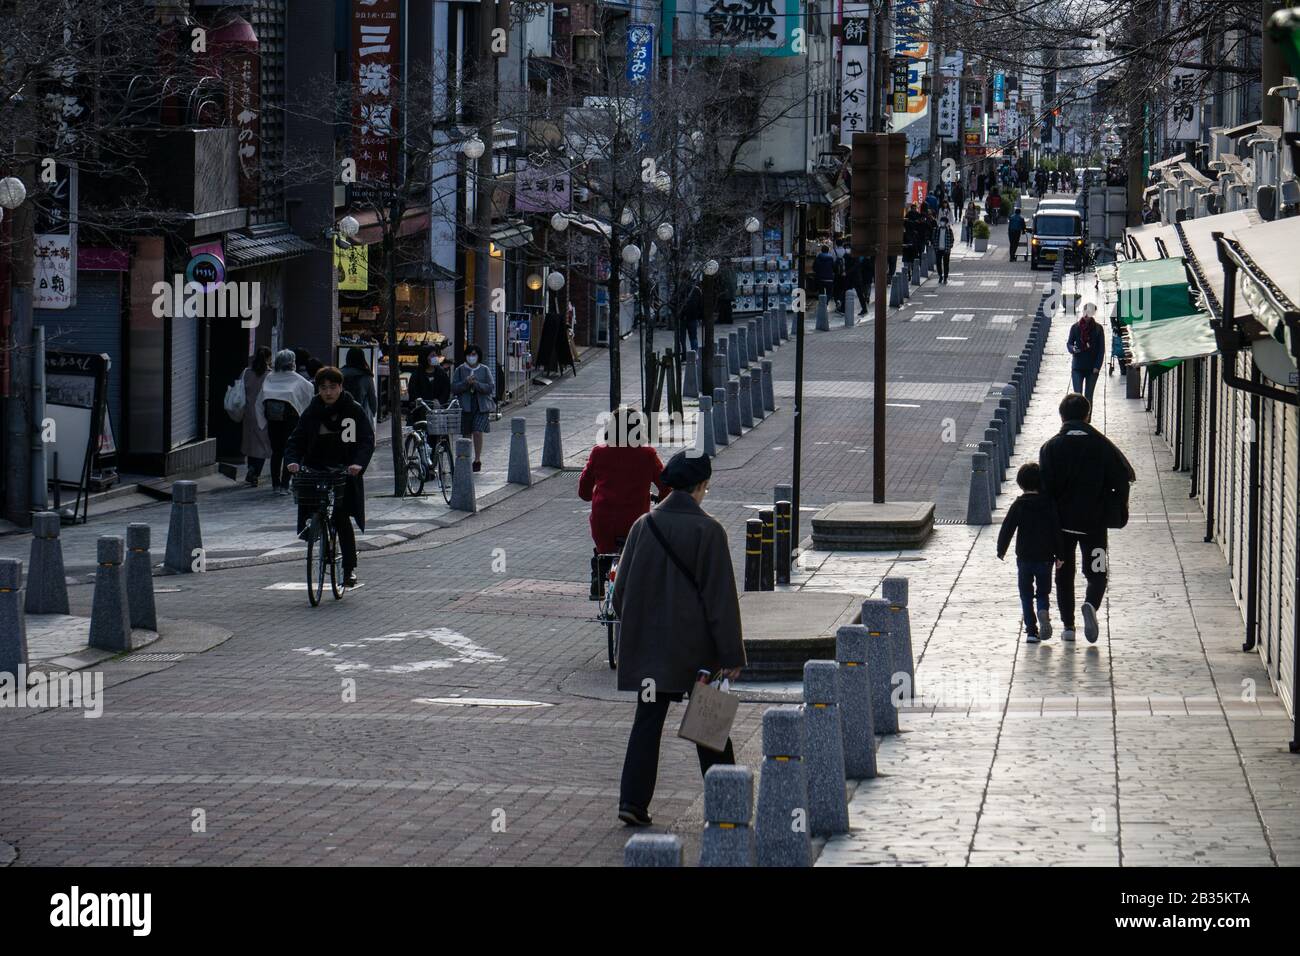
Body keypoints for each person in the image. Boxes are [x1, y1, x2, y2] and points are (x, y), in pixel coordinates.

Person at [612, 449, 745, 827]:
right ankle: (727, 801)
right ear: (701, 486)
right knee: (708, 723)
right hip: (697, 652)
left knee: (647, 723)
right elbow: (720, 602)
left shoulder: (643, 526)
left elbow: (620, 595)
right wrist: (731, 653)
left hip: (651, 650)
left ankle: (633, 802)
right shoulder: (709, 531)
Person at [1039, 393, 1135, 644]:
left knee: (1063, 573)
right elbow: (1120, 481)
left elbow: (1045, 490)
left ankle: (1068, 626)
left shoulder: (1050, 447)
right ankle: (1091, 604)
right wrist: (1112, 509)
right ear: (1087, 415)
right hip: (1095, 524)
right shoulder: (1102, 446)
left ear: (1062, 416)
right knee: (1097, 571)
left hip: (1062, 526)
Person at [284, 366, 376, 588]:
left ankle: (349, 569)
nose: (327, 392)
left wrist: (358, 464)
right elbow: (296, 439)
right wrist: (293, 461)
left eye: (332, 387)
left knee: (342, 517)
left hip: (344, 470)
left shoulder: (352, 409)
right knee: (312, 507)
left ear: (340, 387)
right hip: (316, 468)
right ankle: (314, 530)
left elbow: (366, 439)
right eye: (323, 388)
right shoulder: (312, 410)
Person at [578, 406, 670, 595]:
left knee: (604, 550)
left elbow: (584, 491)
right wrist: (660, 501)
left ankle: (598, 571)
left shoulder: (598, 453)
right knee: (638, 553)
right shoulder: (648, 455)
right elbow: (666, 486)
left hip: (604, 522)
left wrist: (590, 494)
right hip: (636, 521)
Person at [996, 462, 1066, 644]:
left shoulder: (1019, 505)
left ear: (1020, 483)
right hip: (1045, 558)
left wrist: (1001, 549)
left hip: (1024, 558)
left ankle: (1031, 632)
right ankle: (1043, 610)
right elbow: (1056, 530)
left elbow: (1007, 528)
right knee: (1043, 592)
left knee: (1025, 594)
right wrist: (1061, 555)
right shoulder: (1049, 504)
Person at [261, 349, 316, 495]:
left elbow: (260, 400)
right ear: (292, 362)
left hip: (272, 419)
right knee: (289, 451)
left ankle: (275, 485)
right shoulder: (297, 379)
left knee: (276, 452)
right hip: (291, 419)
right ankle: (285, 485)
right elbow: (309, 392)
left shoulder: (270, 377)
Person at [451, 343, 494, 472]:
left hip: (481, 405)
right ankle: (466, 457)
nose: (471, 357)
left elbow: (490, 387)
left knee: (477, 431)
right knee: (466, 433)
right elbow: (454, 388)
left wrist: (476, 384)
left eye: (474, 354)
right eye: (469, 354)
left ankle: (477, 459)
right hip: (465, 405)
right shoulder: (460, 370)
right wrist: (466, 383)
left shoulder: (484, 369)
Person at [240, 346, 273, 487]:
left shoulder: (246, 372)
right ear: (268, 358)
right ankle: (255, 472)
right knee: (263, 443)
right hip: (263, 413)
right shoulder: (270, 375)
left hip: (248, 412)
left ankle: (251, 468)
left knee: (250, 442)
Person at [1067, 305, 1105, 405]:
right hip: (1077, 367)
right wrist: (1072, 349)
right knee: (1077, 396)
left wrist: (1097, 366)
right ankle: (1077, 419)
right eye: (1085, 311)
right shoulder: (1075, 327)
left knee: (1088, 397)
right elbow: (1069, 343)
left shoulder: (1098, 329)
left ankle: (1087, 420)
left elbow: (1101, 350)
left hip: (1092, 368)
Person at [407, 346, 451, 423]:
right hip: (420, 413)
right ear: (425, 357)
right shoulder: (416, 374)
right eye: (432, 355)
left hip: (438, 413)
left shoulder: (441, 373)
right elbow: (413, 392)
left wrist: (439, 401)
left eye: (435, 355)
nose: (435, 358)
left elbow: (446, 390)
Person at [341, 347, 378, 422]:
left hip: (341, 415)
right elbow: (372, 400)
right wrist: (373, 413)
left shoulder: (340, 373)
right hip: (361, 416)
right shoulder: (367, 376)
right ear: (362, 359)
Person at [934, 211, 954, 283]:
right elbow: (934, 238)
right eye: (941, 221)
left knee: (946, 264)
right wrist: (935, 246)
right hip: (938, 249)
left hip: (946, 249)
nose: (942, 223)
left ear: (946, 223)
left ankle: (945, 277)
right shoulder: (937, 230)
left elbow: (952, 239)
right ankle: (940, 276)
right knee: (938, 263)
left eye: (943, 222)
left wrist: (950, 246)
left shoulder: (949, 230)